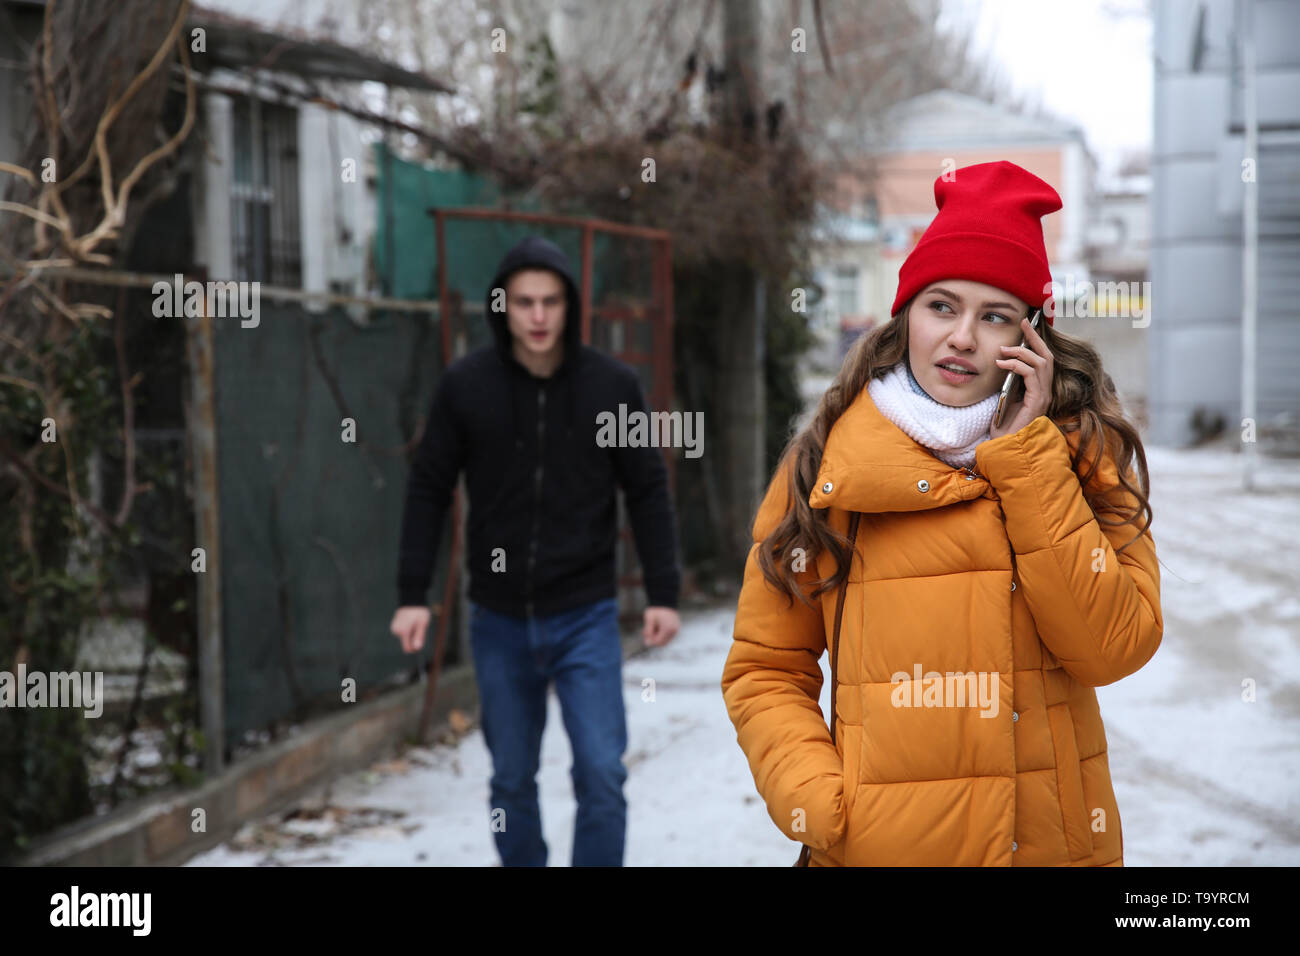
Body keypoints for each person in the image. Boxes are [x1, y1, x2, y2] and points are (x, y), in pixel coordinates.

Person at [722, 161, 1163, 867]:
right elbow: (766, 668)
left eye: (995, 317)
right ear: (906, 317)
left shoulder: (1079, 458)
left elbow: (1113, 648)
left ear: (1032, 341)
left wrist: (1027, 458)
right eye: (941, 306)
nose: (962, 337)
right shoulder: (826, 471)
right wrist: (822, 800)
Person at [391, 235, 682, 867]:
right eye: (524, 302)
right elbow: (428, 488)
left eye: (551, 301)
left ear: (570, 306)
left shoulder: (612, 385)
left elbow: (648, 489)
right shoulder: (467, 386)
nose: (539, 316)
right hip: (498, 620)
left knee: (603, 773)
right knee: (510, 781)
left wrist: (663, 591)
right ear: (504, 306)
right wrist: (412, 594)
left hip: (586, 615)